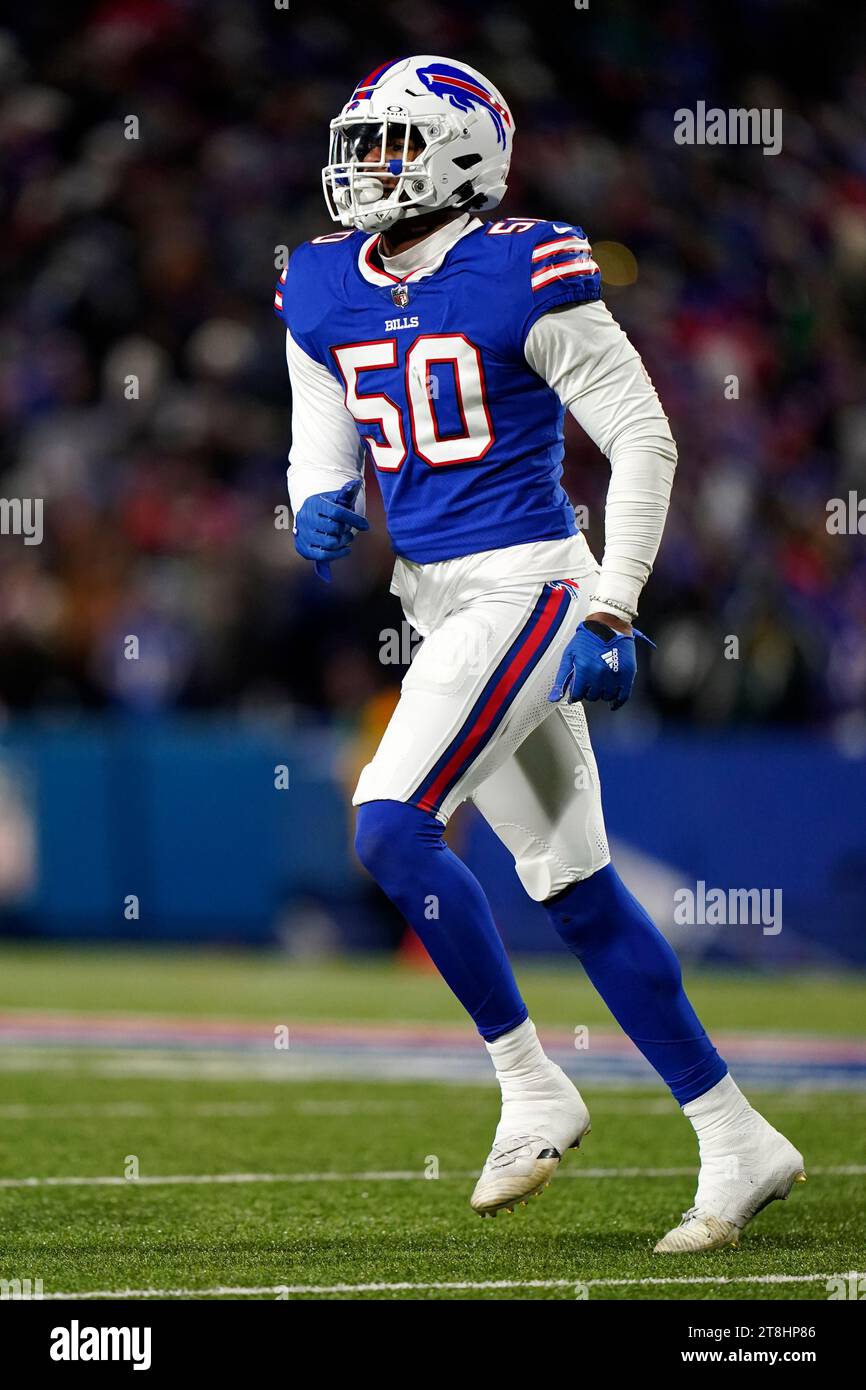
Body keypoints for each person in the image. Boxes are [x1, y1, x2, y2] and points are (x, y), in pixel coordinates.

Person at [275, 55, 805, 1252]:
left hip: (529, 586)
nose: (365, 169)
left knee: (388, 825)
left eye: (393, 144)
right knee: (573, 888)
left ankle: (527, 1081)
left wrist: (612, 607)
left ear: (465, 152)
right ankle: (736, 1138)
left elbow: (642, 439)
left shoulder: (525, 265)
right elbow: (321, 425)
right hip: (438, 599)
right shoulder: (316, 283)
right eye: (358, 145)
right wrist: (313, 493)